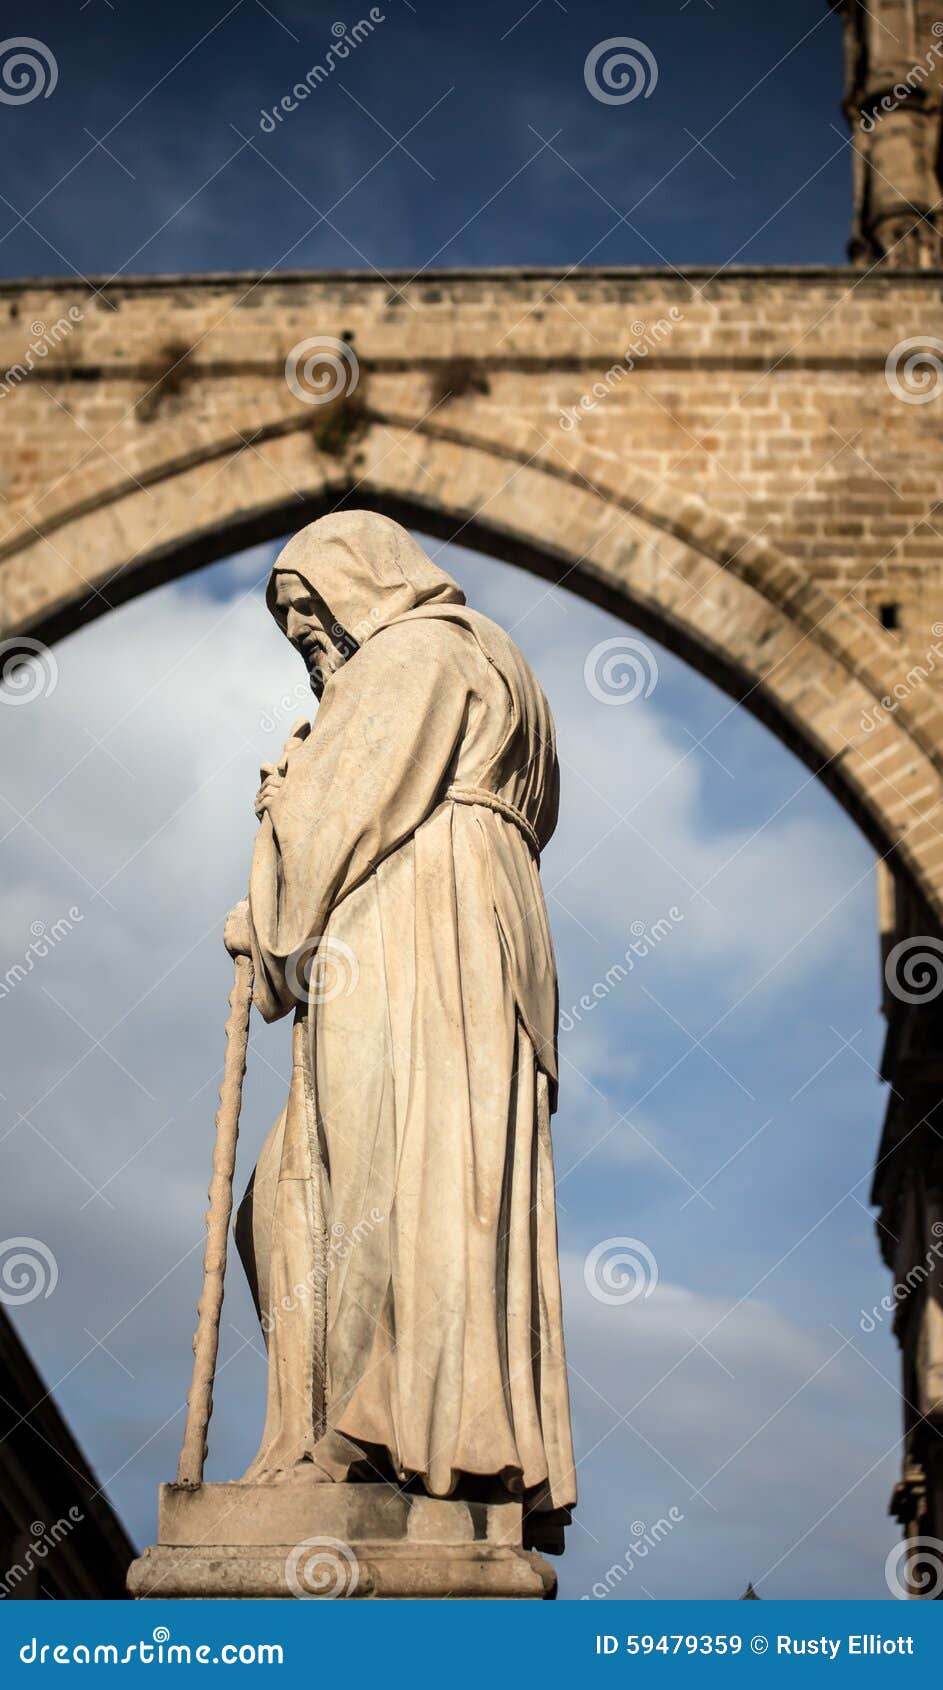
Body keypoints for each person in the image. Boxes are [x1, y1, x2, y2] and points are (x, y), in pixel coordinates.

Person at [227, 510, 575, 1546]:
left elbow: (337, 821)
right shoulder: (494, 660)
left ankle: (378, 1424)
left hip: (414, 921)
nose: (304, 635)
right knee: (421, 1172)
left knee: (378, 1171)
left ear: (365, 579)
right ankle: (416, 1417)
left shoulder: (413, 653)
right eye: (288, 622)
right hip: (477, 925)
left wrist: (276, 844)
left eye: (309, 607)